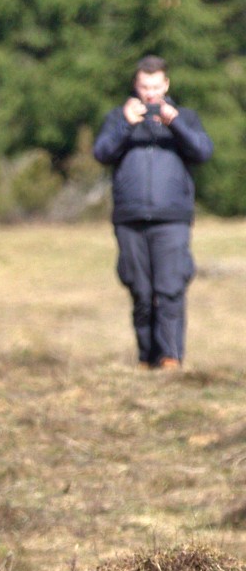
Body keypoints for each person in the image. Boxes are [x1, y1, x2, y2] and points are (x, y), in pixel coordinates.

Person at [93, 55, 213, 370]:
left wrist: (176, 123)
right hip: (130, 218)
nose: (150, 94)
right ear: (136, 85)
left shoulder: (185, 118)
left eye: (156, 87)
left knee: (170, 289)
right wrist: (125, 123)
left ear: (166, 85)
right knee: (141, 292)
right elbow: (102, 152)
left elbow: (203, 151)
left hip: (172, 218)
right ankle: (147, 357)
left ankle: (171, 358)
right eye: (145, 87)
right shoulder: (118, 118)